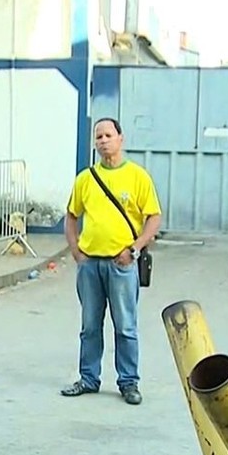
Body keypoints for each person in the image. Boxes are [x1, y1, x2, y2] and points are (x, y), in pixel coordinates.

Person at [59, 118, 162, 406]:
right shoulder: (86, 179)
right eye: (98, 136)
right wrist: (76, 251)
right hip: (90, 264)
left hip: (122, 265)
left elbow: (154, 217)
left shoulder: (137, 177)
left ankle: (129, 382)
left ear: (121, 139)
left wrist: (135, 248)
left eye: (108, 135)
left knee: (125, 326)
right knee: (90, 325)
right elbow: (71, 215)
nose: (103, 140)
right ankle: (88, 378)